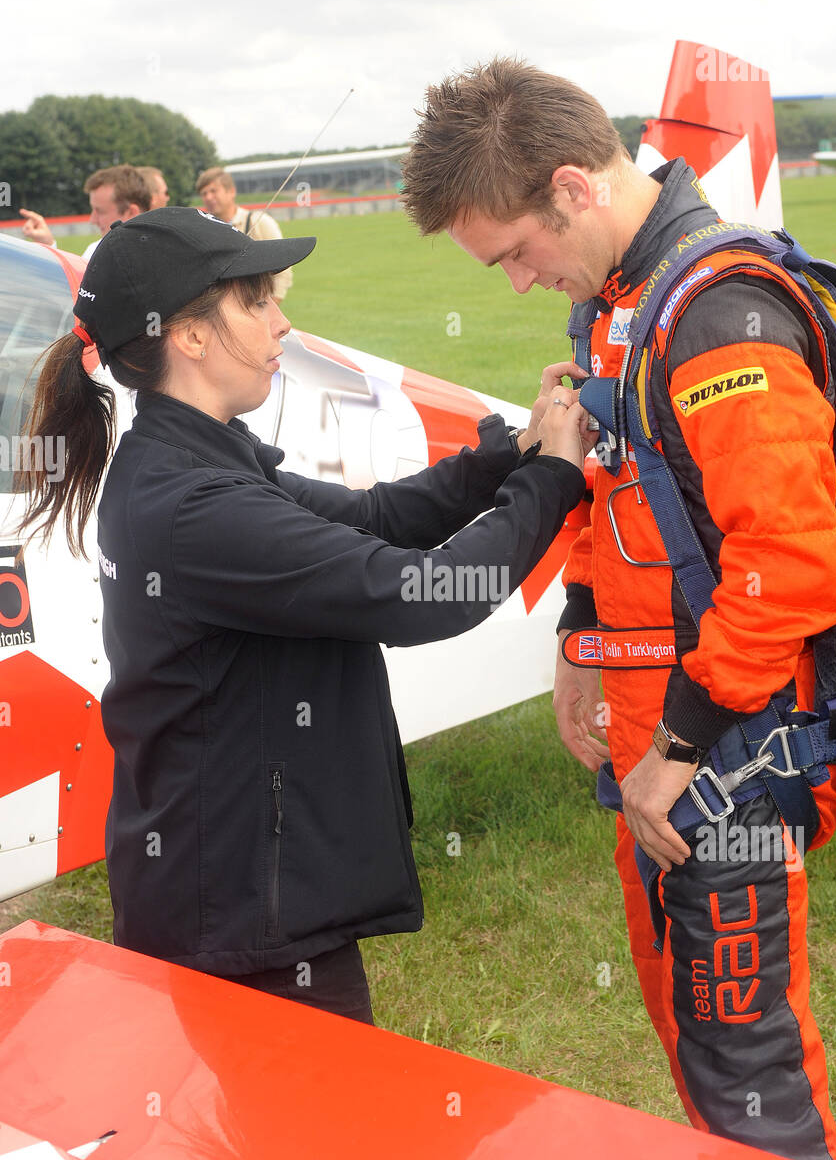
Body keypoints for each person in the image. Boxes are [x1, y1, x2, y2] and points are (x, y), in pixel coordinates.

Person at [401, 56, 836, 1160]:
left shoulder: (716, 319)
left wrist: (681, 750)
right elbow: (632, 510)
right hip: (660, 755)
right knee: (701, 1054)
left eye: (514, 253)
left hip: (723, 767)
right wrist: (582, 648)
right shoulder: (620, 305)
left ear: (572, 187)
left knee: (755, 1096)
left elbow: (788, 567)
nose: (513, 282)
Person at [16, 205, 591, 1025]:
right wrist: (554, 479)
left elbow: (373, 518)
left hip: (236, 893)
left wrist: (506, 456)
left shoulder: (191, 455)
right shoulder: (195, 505)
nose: (283, 320)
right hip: (245, 923)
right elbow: (428, 593)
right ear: (189, 337)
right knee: (303, 1148)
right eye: (256, 301)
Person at [19, 164, 152, 259]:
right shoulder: (95, 250)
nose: (92, 220)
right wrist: (48, 245)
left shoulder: (163, 260)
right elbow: (72, 287)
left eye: (100, 211)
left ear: (131, 212)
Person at [196, 168, 292, 300]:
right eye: (204, 193)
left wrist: (269, 307)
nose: (208, 197)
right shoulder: (203, 231)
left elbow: (283, 268)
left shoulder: (259, 222)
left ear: (231, 191)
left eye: (213, 191)